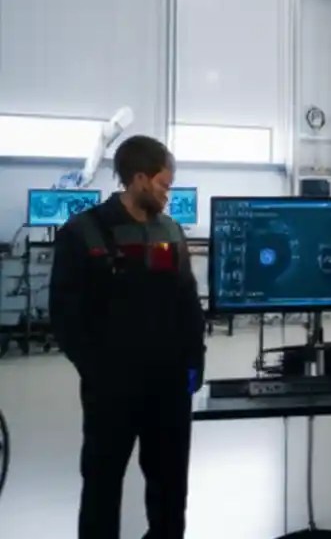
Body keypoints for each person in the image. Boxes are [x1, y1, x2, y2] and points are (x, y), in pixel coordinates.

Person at [49, 135, 205, 539]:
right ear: (138, 178)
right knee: (102, 486)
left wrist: (195, 360)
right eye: (163, 185)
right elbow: (65, 316)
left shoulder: (170, 231)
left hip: (169, 387)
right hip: (111, 390)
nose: (167, 195)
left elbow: (188, 301)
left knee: (170, 488)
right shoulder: (83, 233)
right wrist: (96, 370)